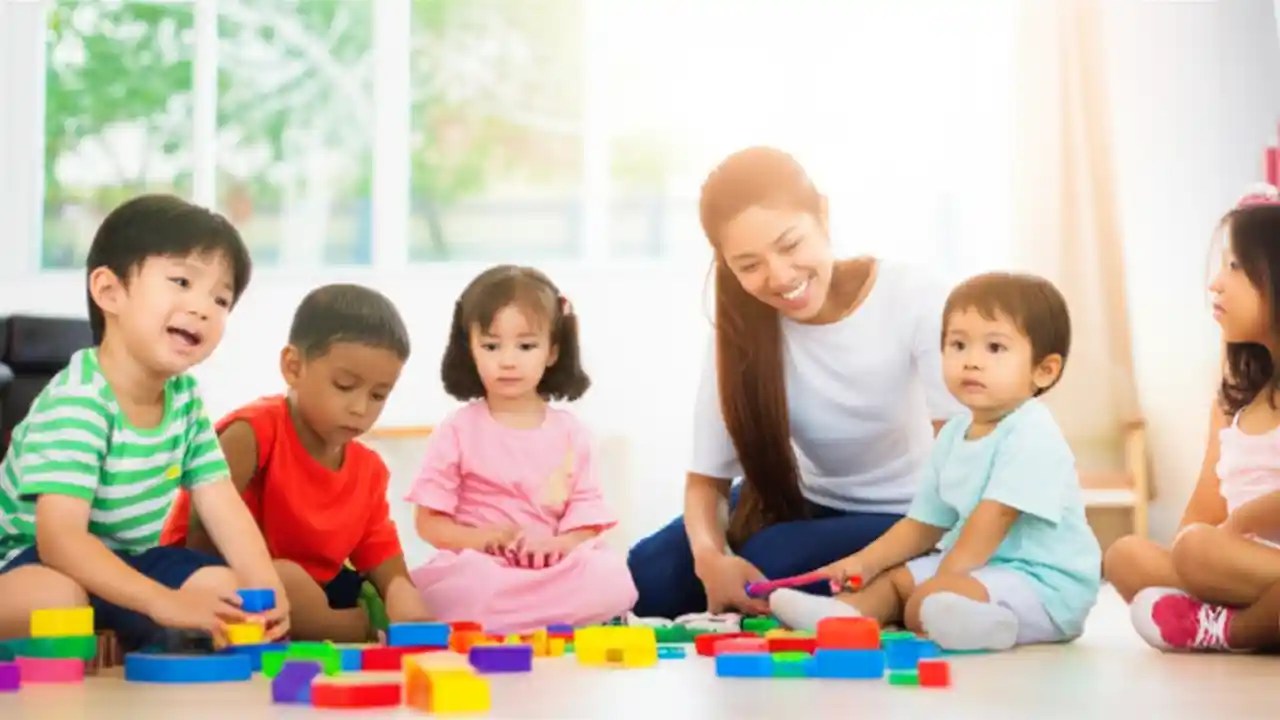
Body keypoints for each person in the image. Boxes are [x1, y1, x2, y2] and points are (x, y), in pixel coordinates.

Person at [626, 146, 963, 619]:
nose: (779, 277)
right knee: (648, 575)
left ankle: (906, 577)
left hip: (909, 515)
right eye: (749, 265)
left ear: (821, 213)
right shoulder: (739, 332)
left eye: (789, 245)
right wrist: (712, 560)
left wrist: (900, 547)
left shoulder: (913, 295)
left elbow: (964, 450)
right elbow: (707, 481)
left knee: (770, 562)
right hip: (802, 503)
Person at [0, 194, 288, 649]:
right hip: (34, 561)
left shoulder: (186, 401)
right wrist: (159, 602)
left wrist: (265, 590)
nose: (203, 308)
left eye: (221, 299)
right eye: (181, 281)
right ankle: (117, 626)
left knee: (229, 596)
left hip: (131, 562)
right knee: (54, 601)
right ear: (109, 292)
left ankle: (116, 628)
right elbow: (59, 540)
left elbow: (223, 505)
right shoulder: (77, 399)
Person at [767, 273, 1101, 650]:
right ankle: (844, 614)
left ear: (1044, 370)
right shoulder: (954, 434)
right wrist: (864, 562)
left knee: (925, 601)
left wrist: (943, 578)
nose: (972, 361)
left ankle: (992, 627)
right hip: (986, 569)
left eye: (994, 348)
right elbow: (922, 524)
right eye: (958, 344)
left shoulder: (1032, 429)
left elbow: (995, 517)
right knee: (894, 581)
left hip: (1046, 584)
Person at [161, 283, 433, 641]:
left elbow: (379, 549)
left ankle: (351, 620)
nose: (359, 407)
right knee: (283, 581)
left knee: (396, 593)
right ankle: (356, 628)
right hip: (220, 576)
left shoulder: (368, 469)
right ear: (293, 367)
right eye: (344, 385)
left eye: (378, 395)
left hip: (316, 588)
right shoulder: (252, 433)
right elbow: (202, 531)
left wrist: (400, 590)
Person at [405, 265, 637, 634]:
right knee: (463, 588)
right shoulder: (457, 430)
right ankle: (539, 619)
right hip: (484, 568)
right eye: (491, 345)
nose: (508, 360)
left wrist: (557, 545)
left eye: (526, 345)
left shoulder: (571, 432)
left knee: (610, 576)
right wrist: (479, 540)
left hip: (553, 567)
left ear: (552, 351)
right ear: (471, 350)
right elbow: (429, 522)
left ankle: (521, 619)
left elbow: (587, 521)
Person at [1106, 185, 1280, 652]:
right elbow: (1204, 509)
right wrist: (1198, 551)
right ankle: (1243, 613)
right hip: (1237, 562)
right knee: (1128, 555)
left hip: (1254, 558)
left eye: (1236, 267)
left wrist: (1232, 529)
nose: (1215, 283)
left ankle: (1230, 630)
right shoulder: (1235, 402)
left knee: (1202, 549)